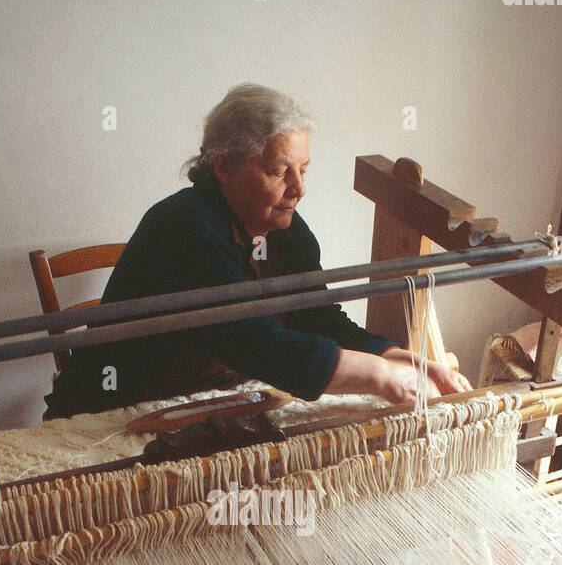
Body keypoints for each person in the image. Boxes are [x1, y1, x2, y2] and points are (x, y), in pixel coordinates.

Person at [43, 83, 470, 419]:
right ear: (225, 167)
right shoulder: (184, 227)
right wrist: (380, 377)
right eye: (279, 171)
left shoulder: (284, 229)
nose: (299, 189)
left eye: (303, 170)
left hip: (208, 400)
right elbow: (253, 342)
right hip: (112, 411)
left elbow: (319, 317)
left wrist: (395, 355)